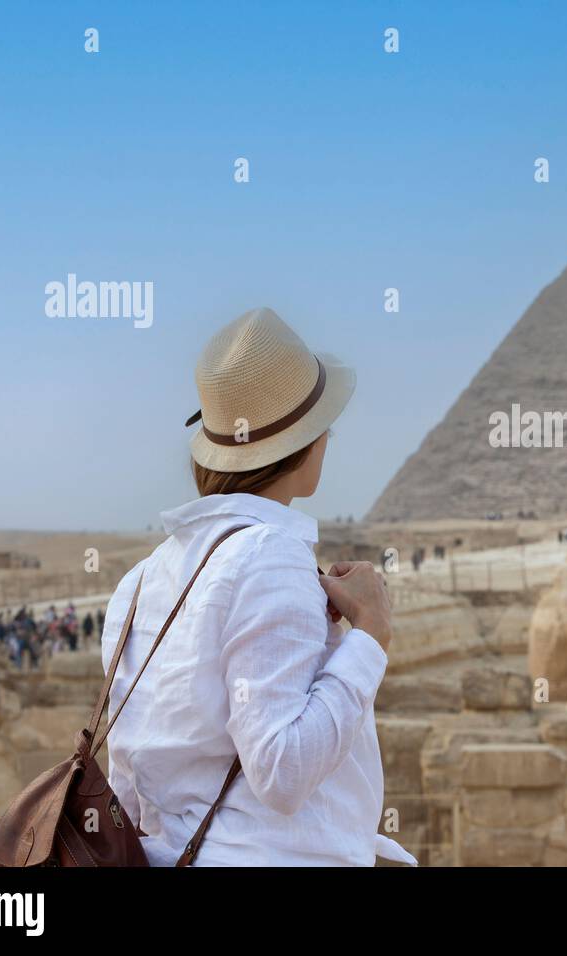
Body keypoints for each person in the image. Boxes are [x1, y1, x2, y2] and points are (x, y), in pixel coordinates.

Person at [99, 307, 414, 867]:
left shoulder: (140, 582)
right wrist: (371, 635)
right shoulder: (272, 555)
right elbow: (282, 770)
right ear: (306, 442)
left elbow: (129, 783)